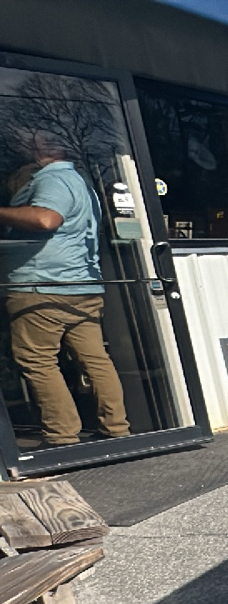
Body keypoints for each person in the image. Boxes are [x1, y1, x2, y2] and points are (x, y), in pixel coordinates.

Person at [0, 130, 129, 446]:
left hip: (43, 287)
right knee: (95, 359)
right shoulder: (81, 182)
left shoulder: (52, 180)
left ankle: (62, 436)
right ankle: (117, 429)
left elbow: (46, 220)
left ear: (39, 149)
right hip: (80, 285)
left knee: (37, 359)